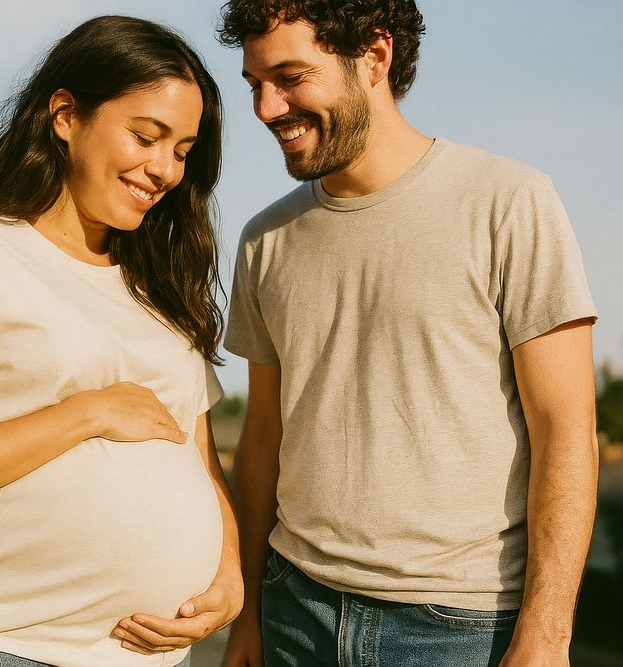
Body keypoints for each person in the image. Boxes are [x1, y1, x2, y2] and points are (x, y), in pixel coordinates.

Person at [217, 2, 599, 666]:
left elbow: (564, 428)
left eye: (290, 77)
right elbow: (262, 437)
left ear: (374, 54)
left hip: (458, 627)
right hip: (294, 610)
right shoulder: (264, 239)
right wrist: (249, 614)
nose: (266, 108)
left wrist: (547, 631)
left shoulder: (508, 200)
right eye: (254, 83)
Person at [0, 15, 242, 667]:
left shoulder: (163, 289)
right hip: (7, 645)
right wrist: (84, 412)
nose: (164, 170)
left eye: (181, 150)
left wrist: (229, 573)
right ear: (65, 114)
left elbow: (199, 460)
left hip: (151, 657)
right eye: (146, 137)